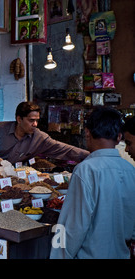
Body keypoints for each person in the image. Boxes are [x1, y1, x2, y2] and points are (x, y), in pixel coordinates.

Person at [50, 106, 135, 259]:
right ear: (118, 137)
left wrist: (58, 255)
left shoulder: (85, 170)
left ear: (87, 133)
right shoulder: (131, 171)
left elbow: (72, 227)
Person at [0, 101, 89, 165]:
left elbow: (64, 149)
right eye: (31, 120)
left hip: (15, 179)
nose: (35, 124)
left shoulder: (39, 137)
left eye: (37, 120)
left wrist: (91, 155)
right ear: (19, 119)